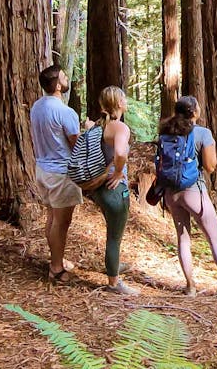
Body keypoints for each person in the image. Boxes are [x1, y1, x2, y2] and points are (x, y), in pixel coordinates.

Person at [158, 96, 217, 301]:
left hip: (170, 193)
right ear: (194, 112)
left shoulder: (166, 131)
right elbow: (210, 166)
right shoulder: (202, 133)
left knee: (183, 238)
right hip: (194, 191)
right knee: (214, 238)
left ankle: (190, 286)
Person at [82, 85, 138, 295]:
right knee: (114, 237)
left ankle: (114, 264)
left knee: (112, 233)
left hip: (98, 189)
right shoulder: (120, 128)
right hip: (114, 189)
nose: (126, 102)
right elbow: (121, 153)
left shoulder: (97, 126)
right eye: (124, 99)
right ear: (119, 103)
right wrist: (118, 172)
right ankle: (114, 283)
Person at [30, 64, 83, 284]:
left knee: (52, 218)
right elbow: (75, 143)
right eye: (64, 76)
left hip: (43, 169)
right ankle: (56, 268)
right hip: (62, 173)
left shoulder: (37, 107)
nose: (67, 77)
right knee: (61, 222)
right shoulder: (65, 112)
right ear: (58, 85)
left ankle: (57, 259)